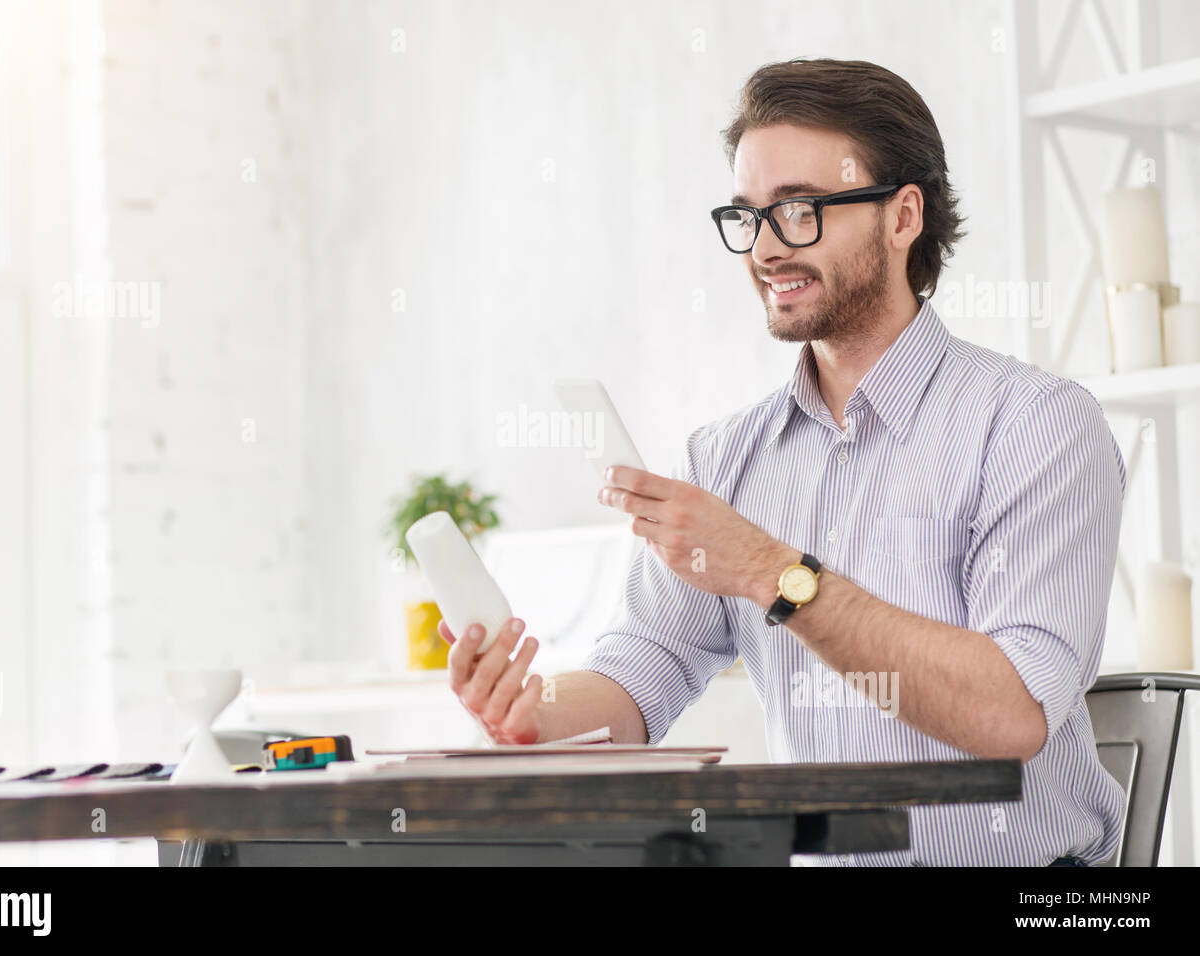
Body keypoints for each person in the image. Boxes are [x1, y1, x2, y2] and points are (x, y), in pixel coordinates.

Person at [441, 58, 1125, 867]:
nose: (765, 249)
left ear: (903, 216)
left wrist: (771, 571)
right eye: (748, 216)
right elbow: (644, 673)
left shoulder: (1037, 427)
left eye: (799, 210)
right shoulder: (728, 457)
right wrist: (534, 714)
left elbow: (1012, 714)